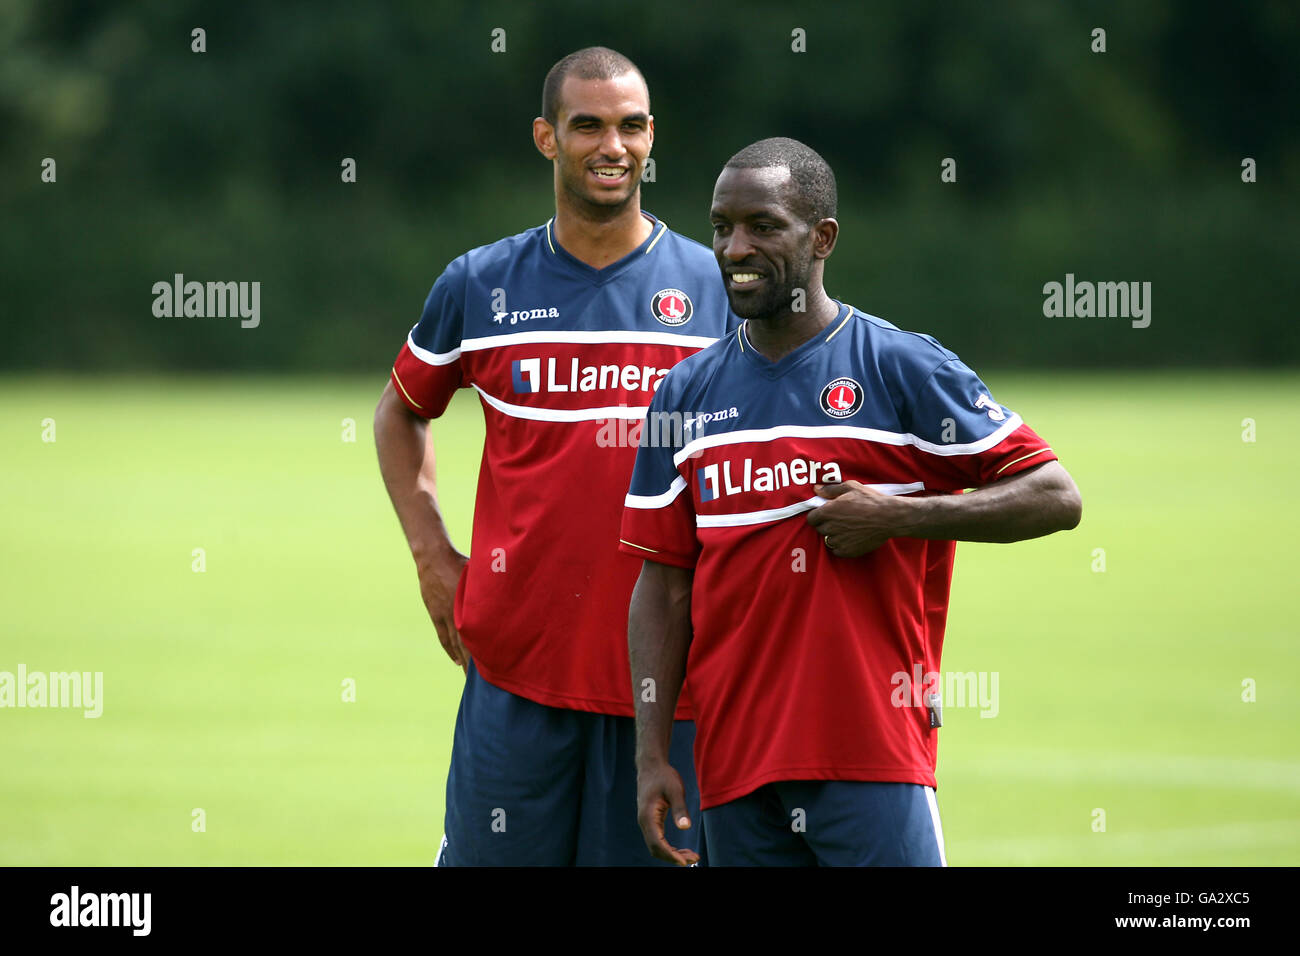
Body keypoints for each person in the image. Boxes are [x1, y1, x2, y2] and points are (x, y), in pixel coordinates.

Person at [621, 137, 1082, 866]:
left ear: (822, 237)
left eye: (763, 226)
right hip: (735, 766)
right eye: (721, 226)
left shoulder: (901, 367)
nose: (735, 247)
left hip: (872, 755)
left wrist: (899, 516)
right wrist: (651, 755)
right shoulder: (684, 395)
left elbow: (1055, 496)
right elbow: (662, 585)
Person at [373, 47, 735, 866]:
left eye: (631, 126)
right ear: (547, 137)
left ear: (652, 137)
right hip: (516, 676)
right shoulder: (480, 284)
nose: (613, 146)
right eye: (588, 126)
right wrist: (433, 555)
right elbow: (401, 412)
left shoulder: (718, 289)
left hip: (671, 688)